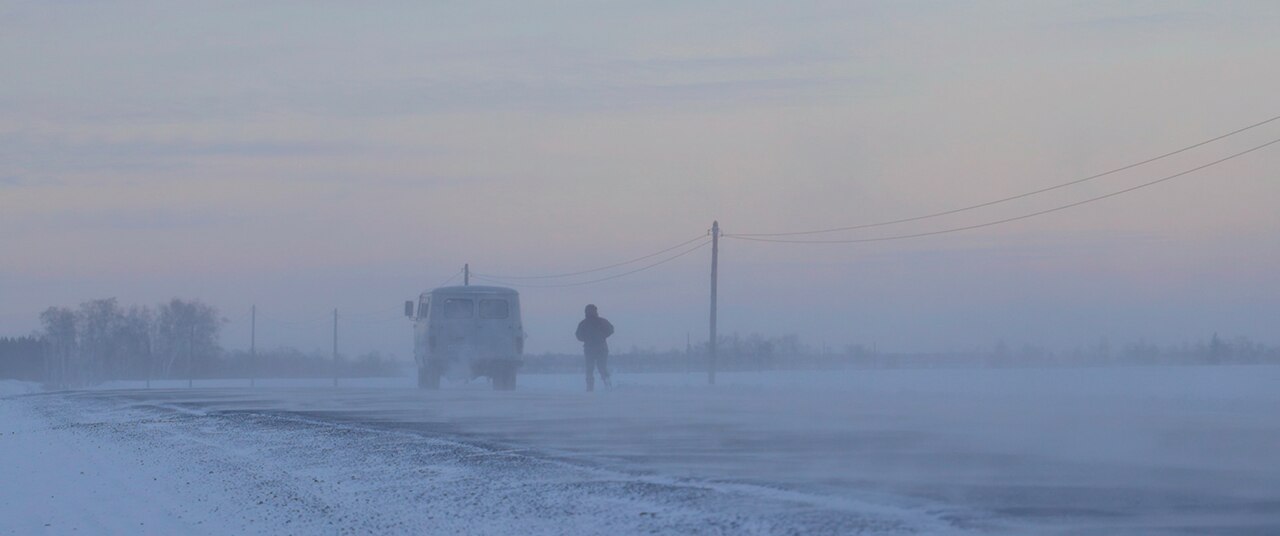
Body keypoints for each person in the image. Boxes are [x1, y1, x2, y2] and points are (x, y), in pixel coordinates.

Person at [575, 304, 614, 391]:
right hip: (598, 349)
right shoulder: (599, 321)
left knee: (592, 369)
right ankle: (606, 386)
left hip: (593, 349)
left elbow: (578, 336)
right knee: (599, 368)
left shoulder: (584, 323)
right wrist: (602, 336)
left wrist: (591, 338)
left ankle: (591, 389)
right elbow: (611, 329)